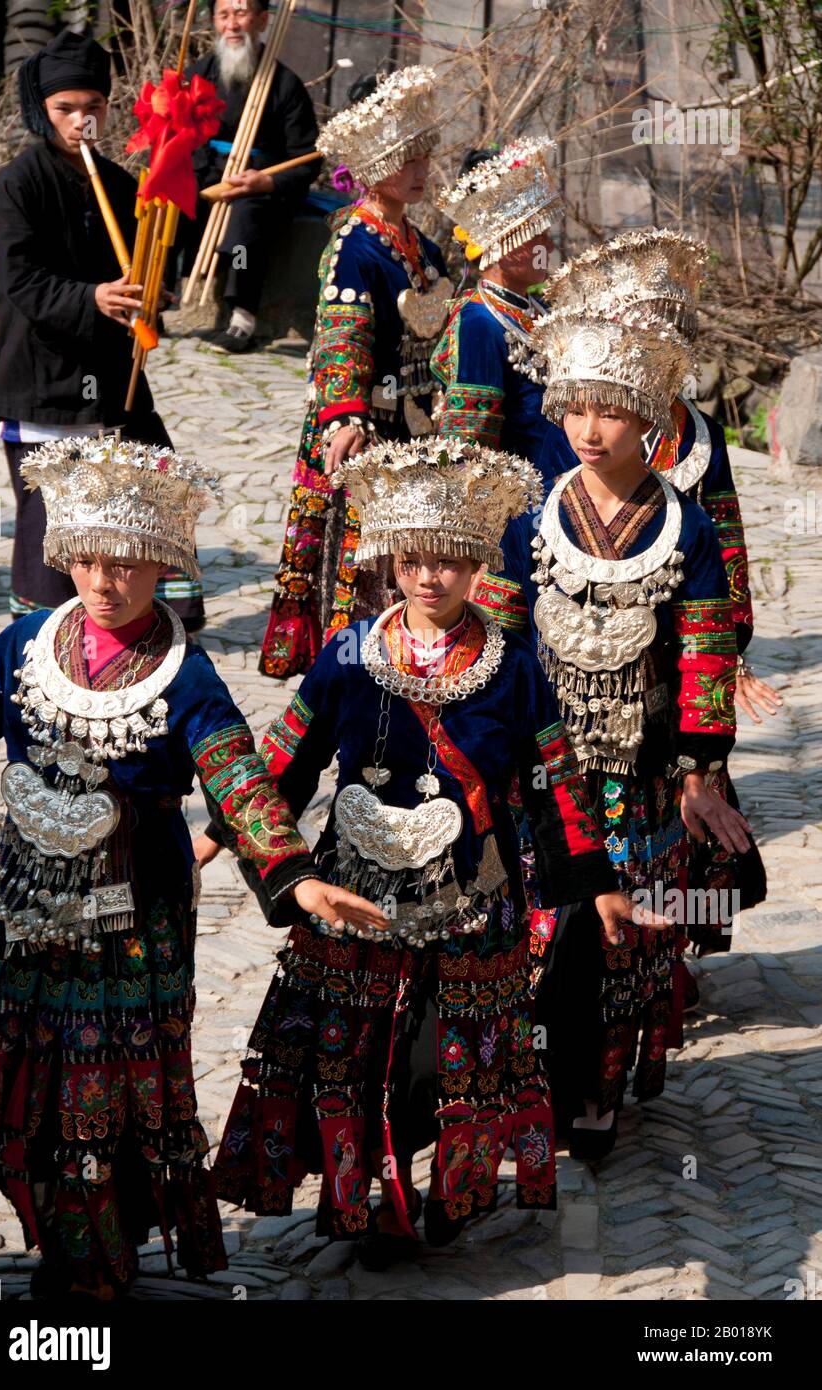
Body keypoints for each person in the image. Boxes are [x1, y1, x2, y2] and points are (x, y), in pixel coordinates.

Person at [0, 434, 384, 1299]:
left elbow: (238, 783)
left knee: (100, 1088)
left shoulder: (187, 682)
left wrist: (294, 876)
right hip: (18, 912)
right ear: (68, 558)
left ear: (163, 568)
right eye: (89, 562)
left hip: (133, 925)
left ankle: (92, 1258)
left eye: (129, 564)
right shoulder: (22, 647)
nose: (105, 583)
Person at [212, 436, 628, 1270]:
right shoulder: (349, 654)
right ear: (389, 561)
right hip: (357, 898)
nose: (429, 578)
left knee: (445, 1057)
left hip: (472, 902)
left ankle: (452, 1191)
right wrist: (230, 831)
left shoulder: (513, 667)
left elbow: (554, 776)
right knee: (361, 1055)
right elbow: (289, 754)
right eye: (412, 561)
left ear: (478, 565)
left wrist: (593, 883)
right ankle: (379, 1201)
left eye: (449, 561)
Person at [515, 272, 754, 1161]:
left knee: (628, 925)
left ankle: (599, 1084)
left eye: (608, 413)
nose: (587, 430)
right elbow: (501, 638)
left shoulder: (682, 528)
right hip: (546, 763)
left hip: (642, 762)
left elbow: (704, 649)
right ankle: (537, 1068)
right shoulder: (531, 519)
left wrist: (701, 762)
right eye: (574, 409)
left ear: (646, 418)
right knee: (546, 916)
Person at [0, 31, 205, 631]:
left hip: (110, 372)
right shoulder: (17, 184)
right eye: (66, 110)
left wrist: (150, 287)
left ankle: (147, 618)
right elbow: (21, 282)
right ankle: (43, 632)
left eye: (93, 107)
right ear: (42, 109)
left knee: (148, 486)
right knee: (54, 513)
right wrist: (92, 296)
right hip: (44, 372)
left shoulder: (118, 181)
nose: (82, 121)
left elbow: (139, 265)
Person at [259, 67, 452, 680]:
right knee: (365, 569)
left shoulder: (426, 246)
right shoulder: (354, 245)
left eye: (425, 156)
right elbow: (342, 335)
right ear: (373, 162)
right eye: (407, 158)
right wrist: (345, 415)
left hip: (419, 432)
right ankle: (359, 685)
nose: (421, 170)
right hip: (367, 432)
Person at [430, 138, 578, 632]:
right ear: (507, 243)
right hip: (519, 513)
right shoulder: (478, 321)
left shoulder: (536, 311)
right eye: (539, 239)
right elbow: (468, 445)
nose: (550, 249)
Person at [181, 0, 320, 353]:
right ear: (214, 21)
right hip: (205, 168)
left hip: (258, 181)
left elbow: (305, 156)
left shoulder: (285, 84)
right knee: (162, 197)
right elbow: (180, 133)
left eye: (241, 14)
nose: (232, 24)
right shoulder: (199, 75)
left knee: (247, 219)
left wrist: (267, 181)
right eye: (224, 15)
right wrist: (199, 174)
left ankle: (242, 317)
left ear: (261, 20)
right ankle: (155, 298)